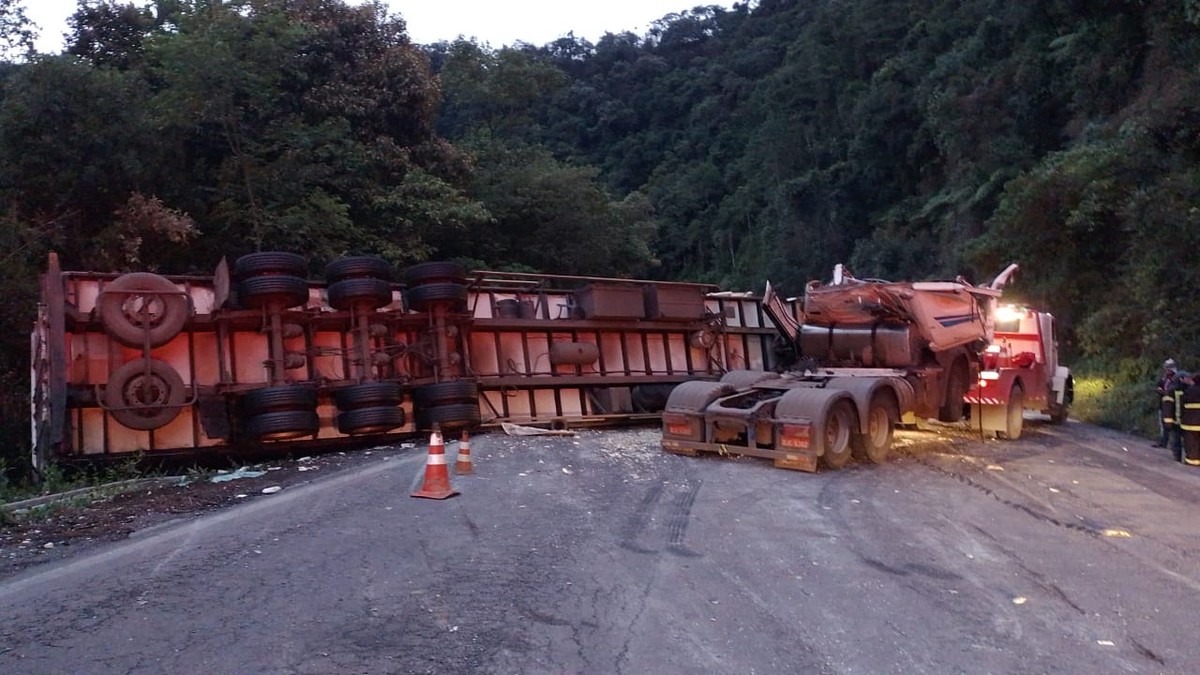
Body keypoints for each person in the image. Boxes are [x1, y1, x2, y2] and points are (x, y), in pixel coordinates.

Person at [1155, 359, 1180, 449]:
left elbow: (1174, 390)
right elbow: (1160, 385)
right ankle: (1163, 442)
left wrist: (1165, 392)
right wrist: (1159, 389)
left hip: (1172, 406)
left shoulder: (1176, 378)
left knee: (1172, 426)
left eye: (1168, 368)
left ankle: (1173, 444)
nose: (1166, 370)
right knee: (1163, 424)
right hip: (1163, 404)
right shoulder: (1164, 378)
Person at [1179, 371, 1200, 466]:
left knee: (1190, 444)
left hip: (1189, 424)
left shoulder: (1188, 391)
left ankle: (1191, 461)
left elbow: (1182, 406)